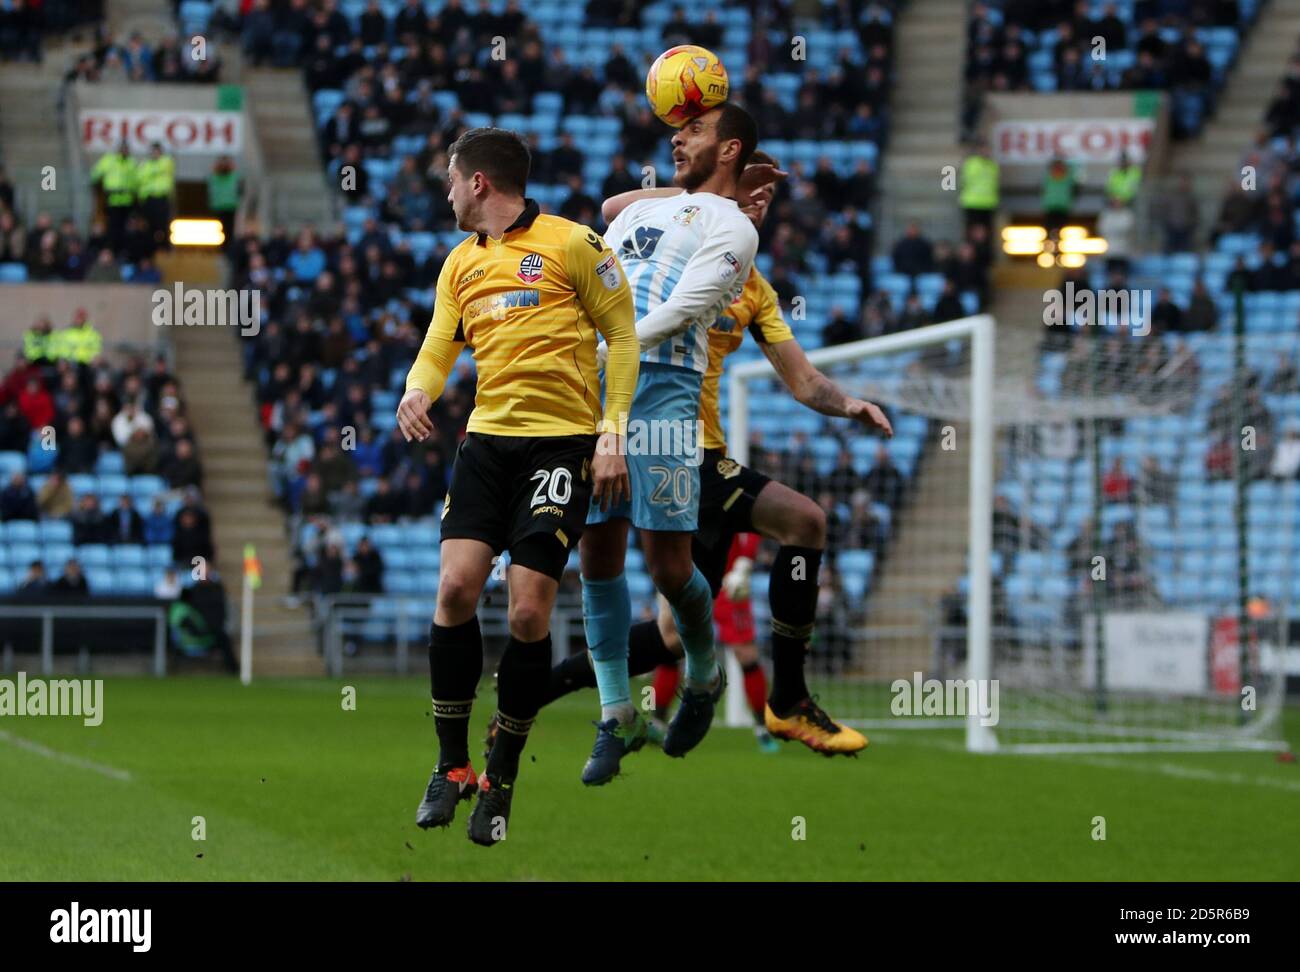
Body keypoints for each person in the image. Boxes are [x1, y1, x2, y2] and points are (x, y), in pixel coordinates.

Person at [519, 148, 890, 759]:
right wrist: (701, 189)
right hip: (667, 446)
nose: (762, 202)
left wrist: (847, 404)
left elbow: (803, 382)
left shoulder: (756, 290)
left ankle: (782, 700)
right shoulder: (664, 249)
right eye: (752, 190)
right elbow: (613, 207)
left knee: (781, 542)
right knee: (683, 600)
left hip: (699, 454)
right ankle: (769, 699)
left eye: (770, 199)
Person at [395, 126, 638, 845]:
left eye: (449, 178)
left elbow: (622, 336)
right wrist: (417, 389)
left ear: (479, 184)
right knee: (454, 589)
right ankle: (451, 767)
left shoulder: (575, 244)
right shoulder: (458, 265)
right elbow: (441, 341)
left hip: (560, 445)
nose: (444, 192)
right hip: (487, 444)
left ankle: (501, 780)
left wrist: (612, 432)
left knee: (530, 610)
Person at [576, 103, 762, 786]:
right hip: (594, 384)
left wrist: (606, 346)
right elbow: (613, 203)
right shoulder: (632, 216)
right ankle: (616, 711)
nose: (677, 137)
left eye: (696, 131)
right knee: (596, 552)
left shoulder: (735, 225)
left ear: (732, 146)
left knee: (666, 566)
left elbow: (686, 309)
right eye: (675, 132)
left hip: (663, 387)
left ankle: (705, 672)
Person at [958, 137, 999, 234]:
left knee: (987, 233)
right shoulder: (970, 163)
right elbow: (962, 180)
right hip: (972, 202)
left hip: (989, 203)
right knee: (972, 232)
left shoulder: (993, 165)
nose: (986, 151)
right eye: (984, 149)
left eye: (988, 149)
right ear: (978, 150)